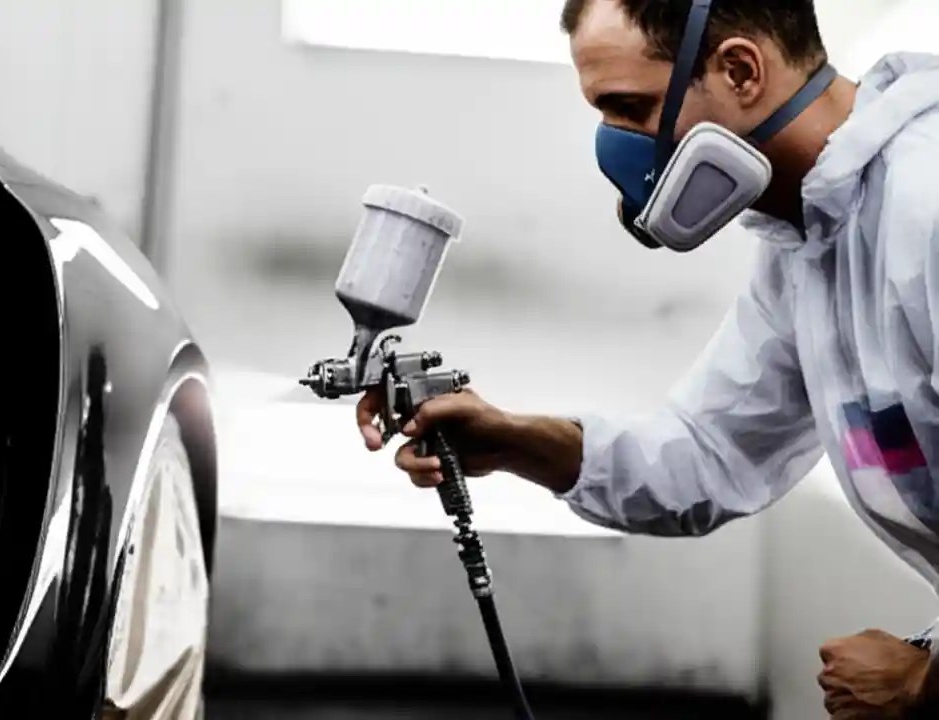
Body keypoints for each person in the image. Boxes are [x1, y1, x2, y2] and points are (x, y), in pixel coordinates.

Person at [355, 1, 939, 717]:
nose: (619, 149)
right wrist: (512, 440)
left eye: (630, 108)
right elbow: (707, 455)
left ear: (739, 69)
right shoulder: (809, 240)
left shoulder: (926, 203)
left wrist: (923, 684)